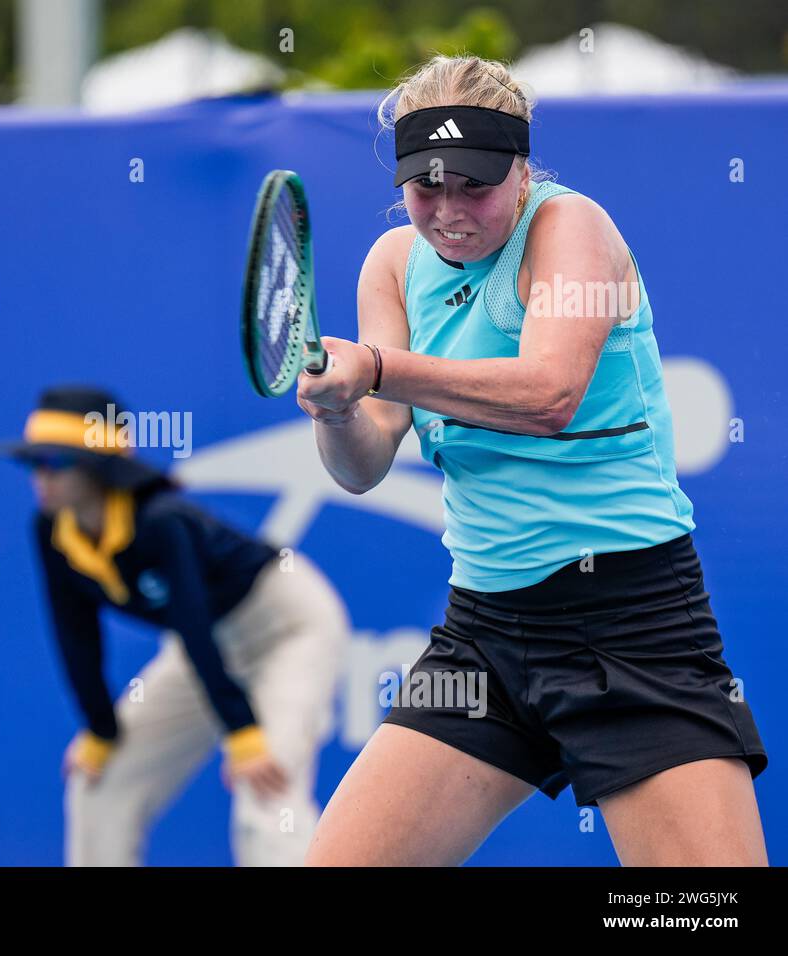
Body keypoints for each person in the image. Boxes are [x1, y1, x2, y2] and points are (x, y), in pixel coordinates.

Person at [298, 55, 769, 866]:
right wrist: (341, 411)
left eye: (474, 185)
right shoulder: (391, 265)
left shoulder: (570, 226)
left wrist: (376, 368)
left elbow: (549, 395)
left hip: (631, 624)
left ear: (521, 169)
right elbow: (364, 462)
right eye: (426, 187)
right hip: (482, 634)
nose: (448, 212)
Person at [0, 385, 350, 866]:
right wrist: (101, 729)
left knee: (266, 789)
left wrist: (242, 732)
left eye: (56, 463)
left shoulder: (162, 521)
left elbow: (192, 622)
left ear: (99, 468)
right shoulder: (50, 529)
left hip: (289, 629)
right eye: (34, 464)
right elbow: (75, 633)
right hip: (205, 649)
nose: (42, 479)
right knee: (100, 782)